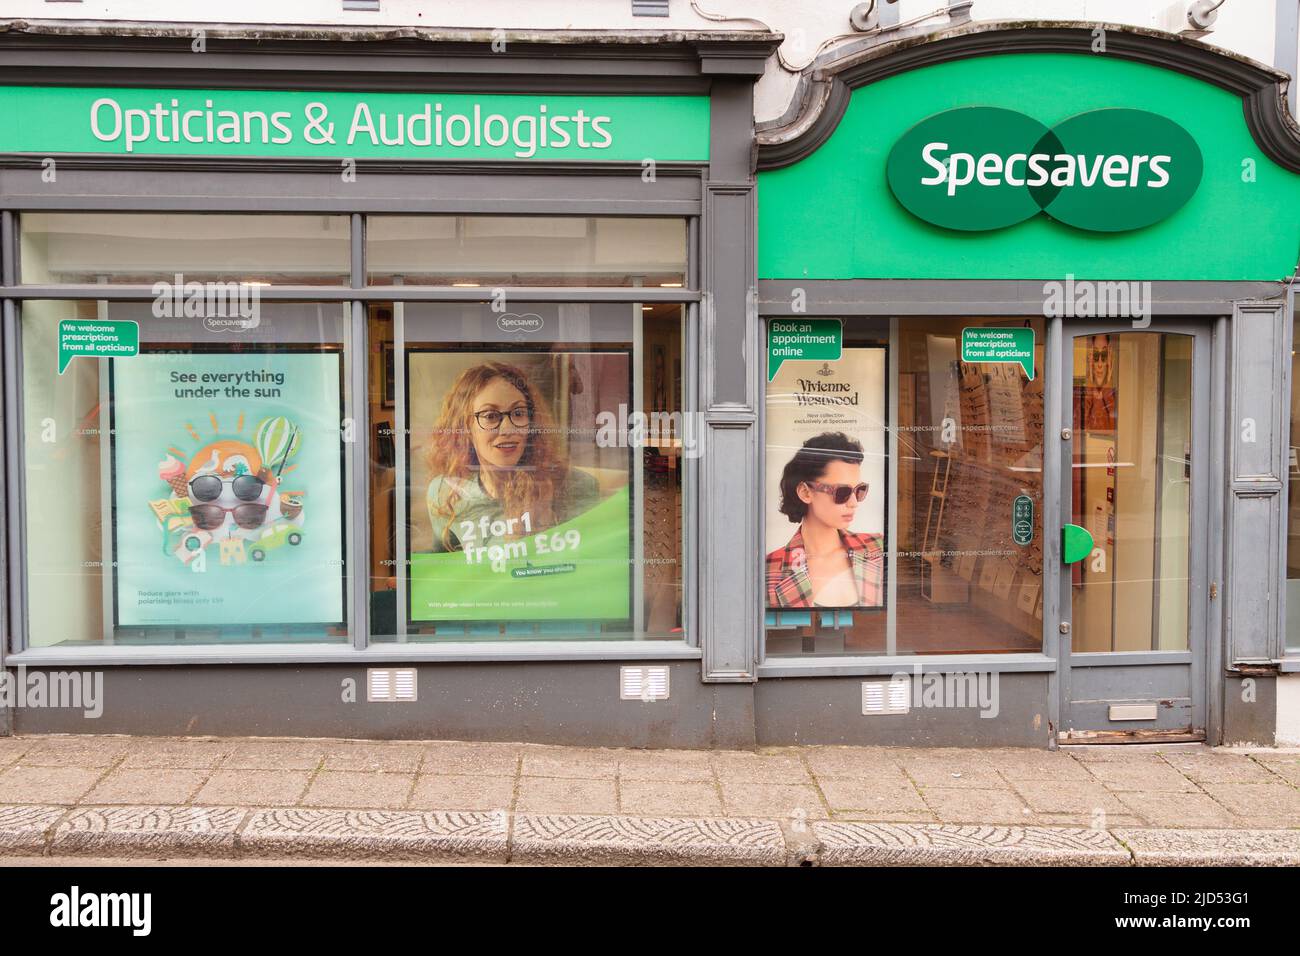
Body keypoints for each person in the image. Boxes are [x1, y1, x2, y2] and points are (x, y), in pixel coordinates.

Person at [425, 361, 597, 552]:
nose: (508, 428)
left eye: (518, 413)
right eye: (491, 416)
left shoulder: (576, 487)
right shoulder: (444, 493)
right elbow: (444, 573)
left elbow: (590, 569)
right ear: (464, 427)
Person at [766, 431, 884, 608]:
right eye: (842, 492)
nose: (853, 503)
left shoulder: (878, 547)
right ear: (805, 492)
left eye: (860, 490)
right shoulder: (770, 569)